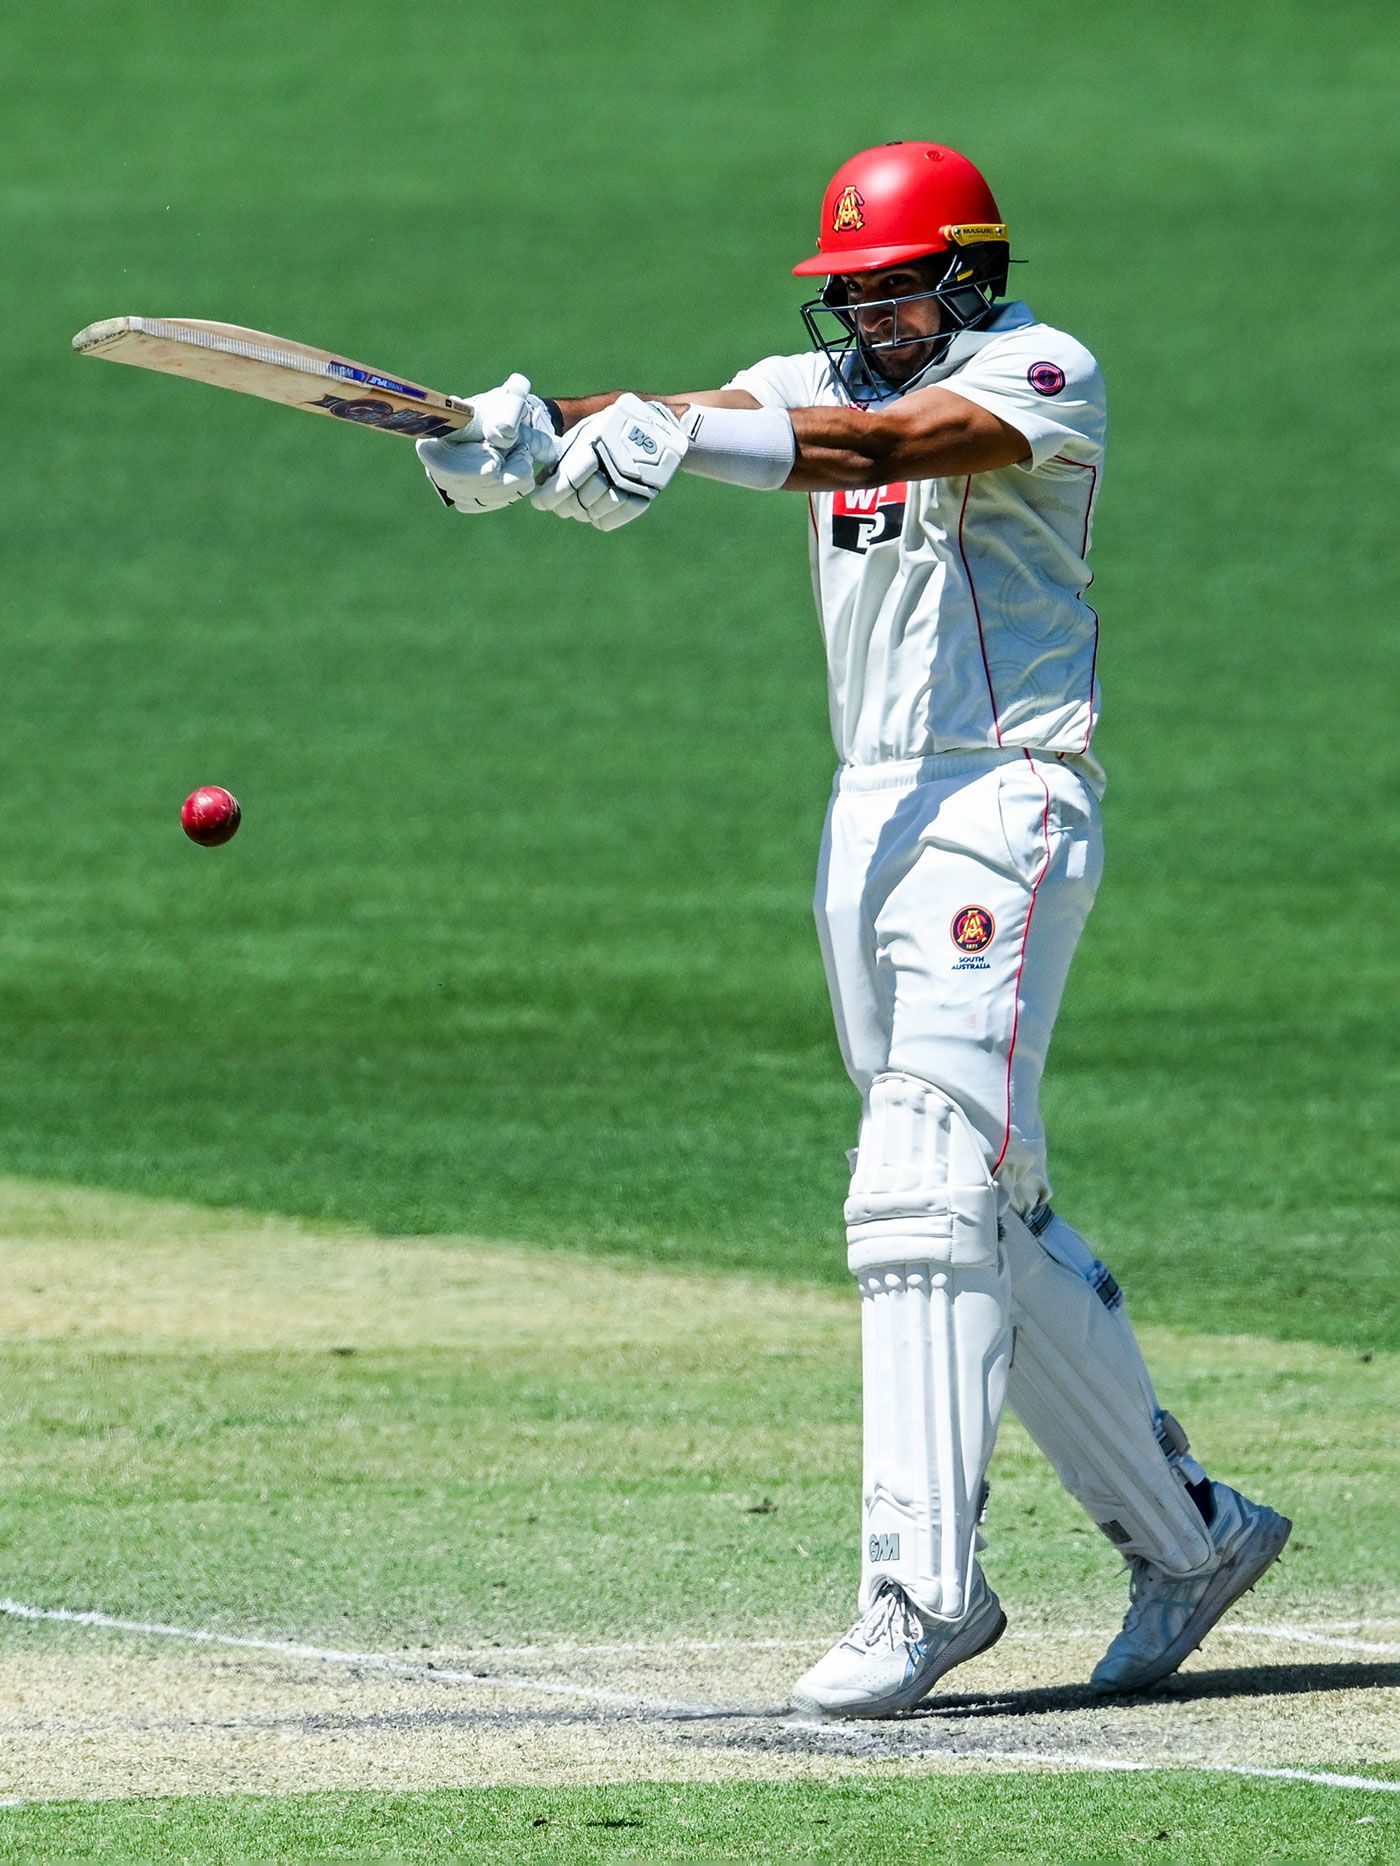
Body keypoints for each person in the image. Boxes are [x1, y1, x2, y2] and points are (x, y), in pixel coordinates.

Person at [415, 141, 1290, 1719]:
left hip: (1003, 799)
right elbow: (696, 414)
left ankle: (920, 1590)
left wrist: (678, 441)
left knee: (912, 1182)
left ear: (965, 272)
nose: (866, 316)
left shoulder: (1038, 368)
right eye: (847, 295)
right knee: (978, 1208)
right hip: (868, 816)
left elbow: (876, 442)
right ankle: (1191, 1535)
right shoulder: (806, 386)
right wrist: (531, 438)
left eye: (889, 289)